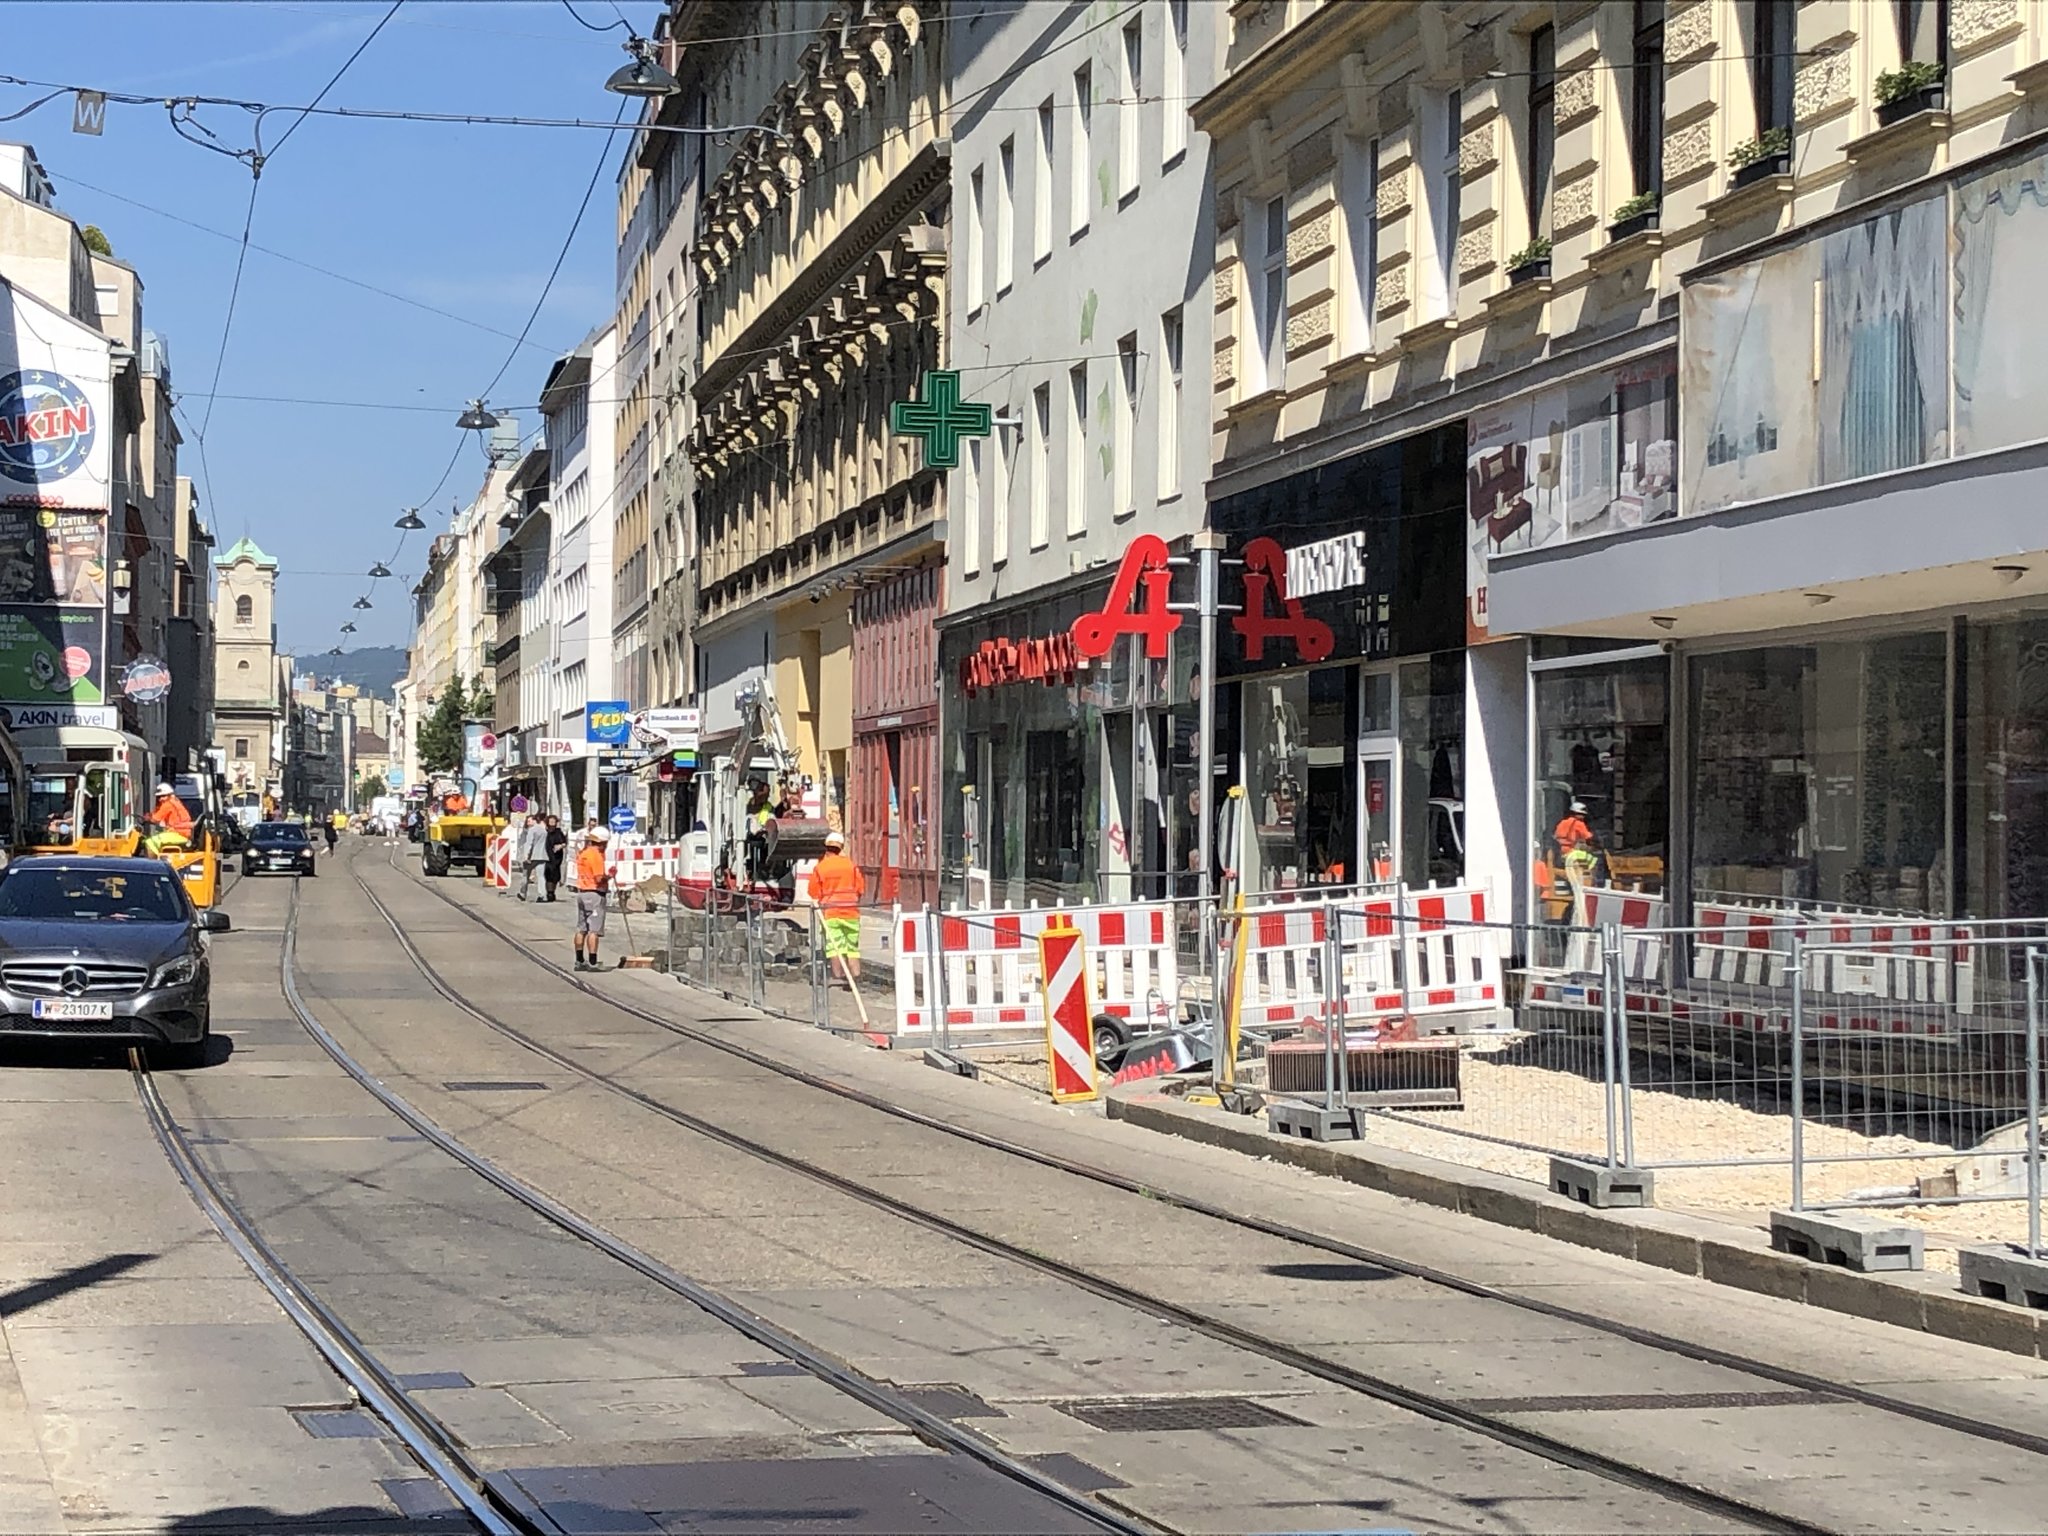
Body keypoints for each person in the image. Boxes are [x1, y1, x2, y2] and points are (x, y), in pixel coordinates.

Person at [807, 829, 866, 985]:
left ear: (826, 847)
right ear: (840, 848)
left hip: (831, 912)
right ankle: (855, 976)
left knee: (834, 946)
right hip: (851, 912)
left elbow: (813, 892)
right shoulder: (850, 865)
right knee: (852, 946)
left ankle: (837, 977)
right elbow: (860, 889)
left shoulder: (821, 867)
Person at [573, 825, 612, 971]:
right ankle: (593, 962)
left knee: (581, 928)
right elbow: (598, 877)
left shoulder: (584, 853)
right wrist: (609, 876)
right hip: (594, 893)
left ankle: (579, 960)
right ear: (602, 842)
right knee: (593, 930)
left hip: (582, 892)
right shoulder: (595, 856)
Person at [142, 782, 193, 857]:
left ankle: (154, 863)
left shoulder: (168, 804)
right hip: (182, 833)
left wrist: (147, 818)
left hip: (178, 834)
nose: (160, 799)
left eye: (163, 796)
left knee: (150, 842)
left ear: (169, 795)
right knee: (157, 836)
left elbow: (155, 819)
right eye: (159, 797)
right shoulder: (175, 802)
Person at [516, 815, 548, 901]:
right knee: (541, 876)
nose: (527, 823)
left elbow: (529, 844)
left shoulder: (532, 830)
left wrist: (526, 856)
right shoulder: (543, 830)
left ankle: (523, 893)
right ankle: (543, 895)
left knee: (525, 875)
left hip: (532, 857)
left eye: (529, 821)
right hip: (542, 856)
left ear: (534, 820)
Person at [542, 815, 567, 902]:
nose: (552, 823)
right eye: (551, 821)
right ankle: (549, 893)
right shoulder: (545, 831)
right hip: (547, 855)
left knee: (556, 875)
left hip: (557, 856)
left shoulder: (558, 832)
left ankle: (553, 890)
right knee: (548, 873)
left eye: (554, 821)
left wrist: (560, 846)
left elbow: (564, 842)